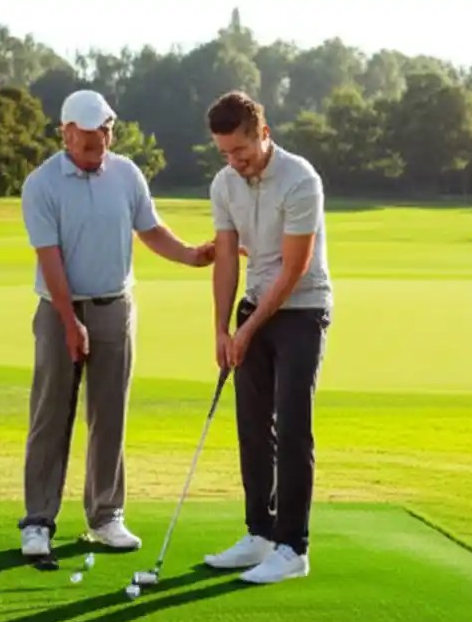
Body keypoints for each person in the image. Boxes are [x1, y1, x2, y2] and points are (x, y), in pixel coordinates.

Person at [18, 89, 216, 563]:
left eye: (103, 139)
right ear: (66, 134)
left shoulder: (126, 174)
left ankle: (106, 516)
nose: (96, 151)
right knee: (51, 416)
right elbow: (51, 260)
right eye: (87, 143)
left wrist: (191, 255)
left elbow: (149, 229)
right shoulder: (41, 184)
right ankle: (38, 521)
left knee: (109, 415)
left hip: (115, 307)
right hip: (59, 307)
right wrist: (70, 322)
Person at [201, 90, 333, 584]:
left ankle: (292, 547)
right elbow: (228, 257)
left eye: (242, 151)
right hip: (255, 304)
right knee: (253, 425)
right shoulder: (224, 184)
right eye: (225, 153)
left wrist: (247, 329)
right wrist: (221, 327)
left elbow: (295, 268)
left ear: (264, 134)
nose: (235, 162)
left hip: (302, 308)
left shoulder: (300, 180)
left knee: (293, 426)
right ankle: (259, 534)